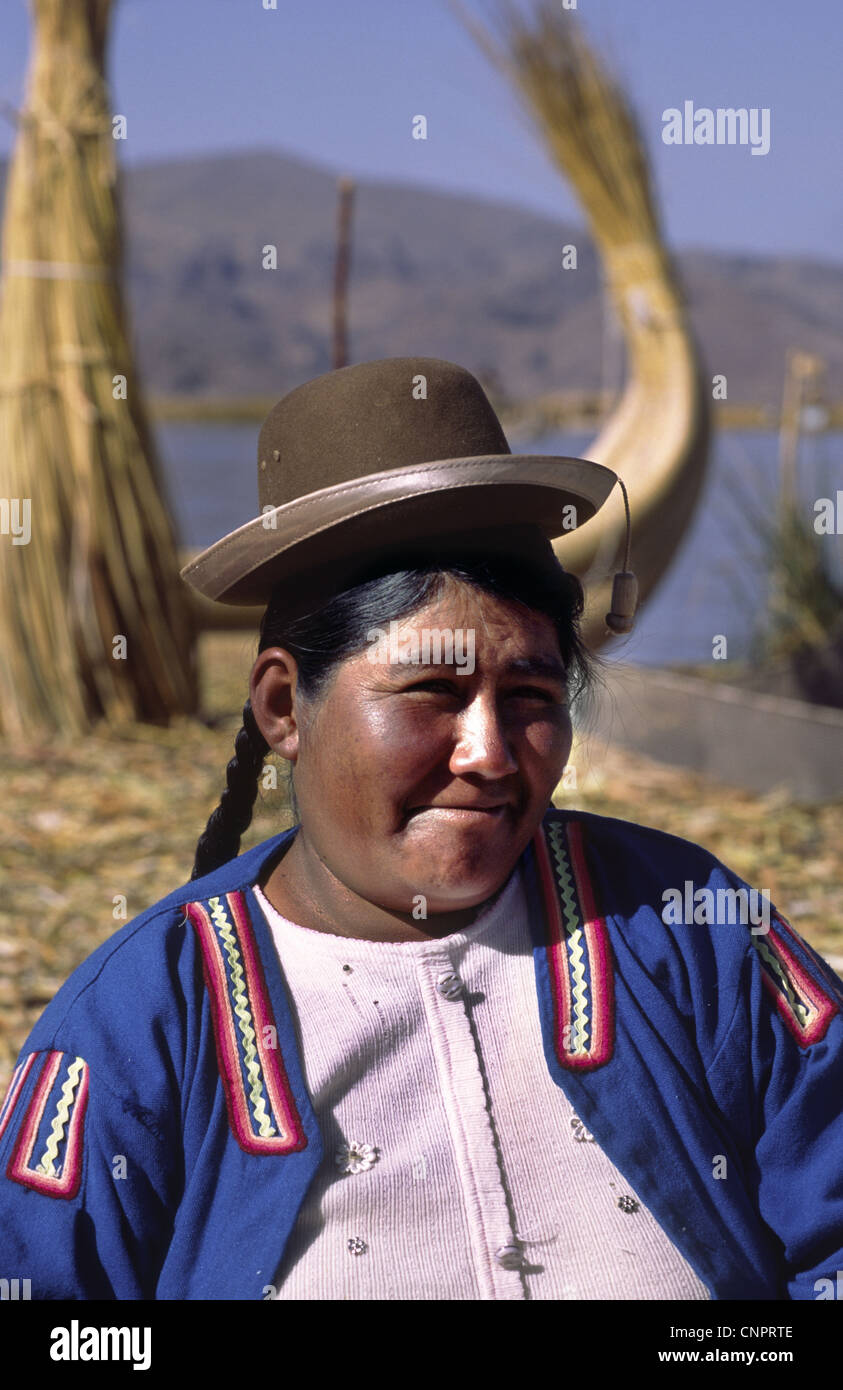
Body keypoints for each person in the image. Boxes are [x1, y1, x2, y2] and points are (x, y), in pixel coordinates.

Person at [1, 357, 841, 1301]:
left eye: (528, 694)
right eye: (431, 693)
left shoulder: (688, 931)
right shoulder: (141, 1026)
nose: (488, 752)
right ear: (284, 706)